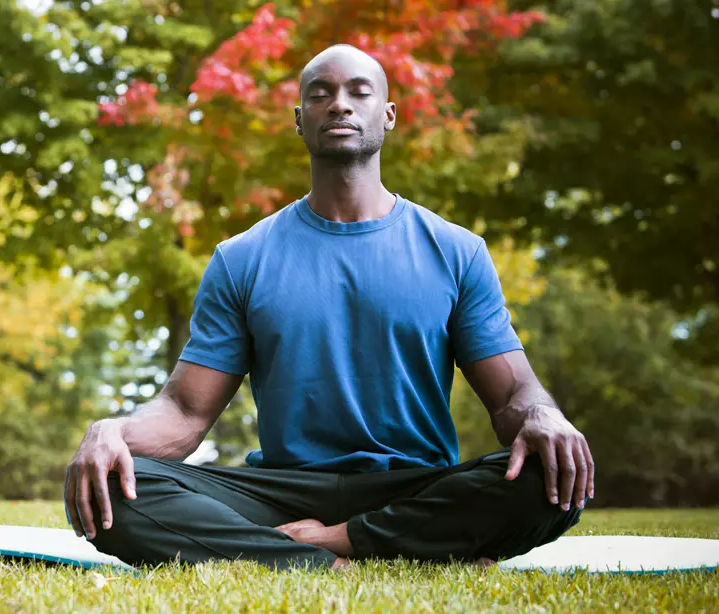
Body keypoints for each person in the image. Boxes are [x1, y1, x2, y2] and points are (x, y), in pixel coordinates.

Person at [63, 44, 593, 570]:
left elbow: (511, 397)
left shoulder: (456, 252)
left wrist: (543, 415)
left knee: (549, 472)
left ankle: (331, 543)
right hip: (281, 490)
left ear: (388, 116)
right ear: (300, 120)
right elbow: (184, 413)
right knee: (111, 485)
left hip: (413, 486)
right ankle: (367, 553)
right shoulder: (241, 258)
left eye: (359, 93)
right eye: (321, 95)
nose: (340, 104)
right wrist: (114, 431)